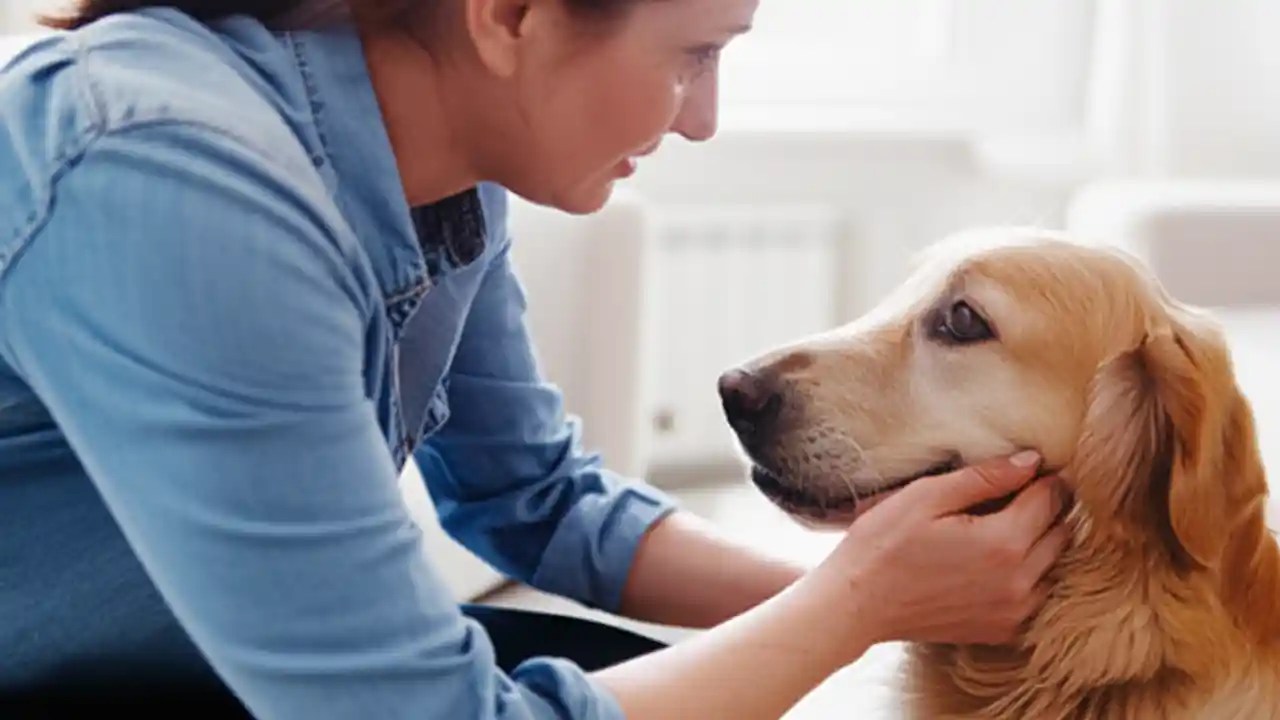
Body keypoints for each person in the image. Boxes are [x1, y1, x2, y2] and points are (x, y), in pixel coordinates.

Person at [0, 0, 1071, 717]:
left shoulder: (443, 177)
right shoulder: (171, 172)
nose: (704, 119)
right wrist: (854, 607)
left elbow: (537, 500)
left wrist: (898, 586)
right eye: (693, 54)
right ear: (508, 15)